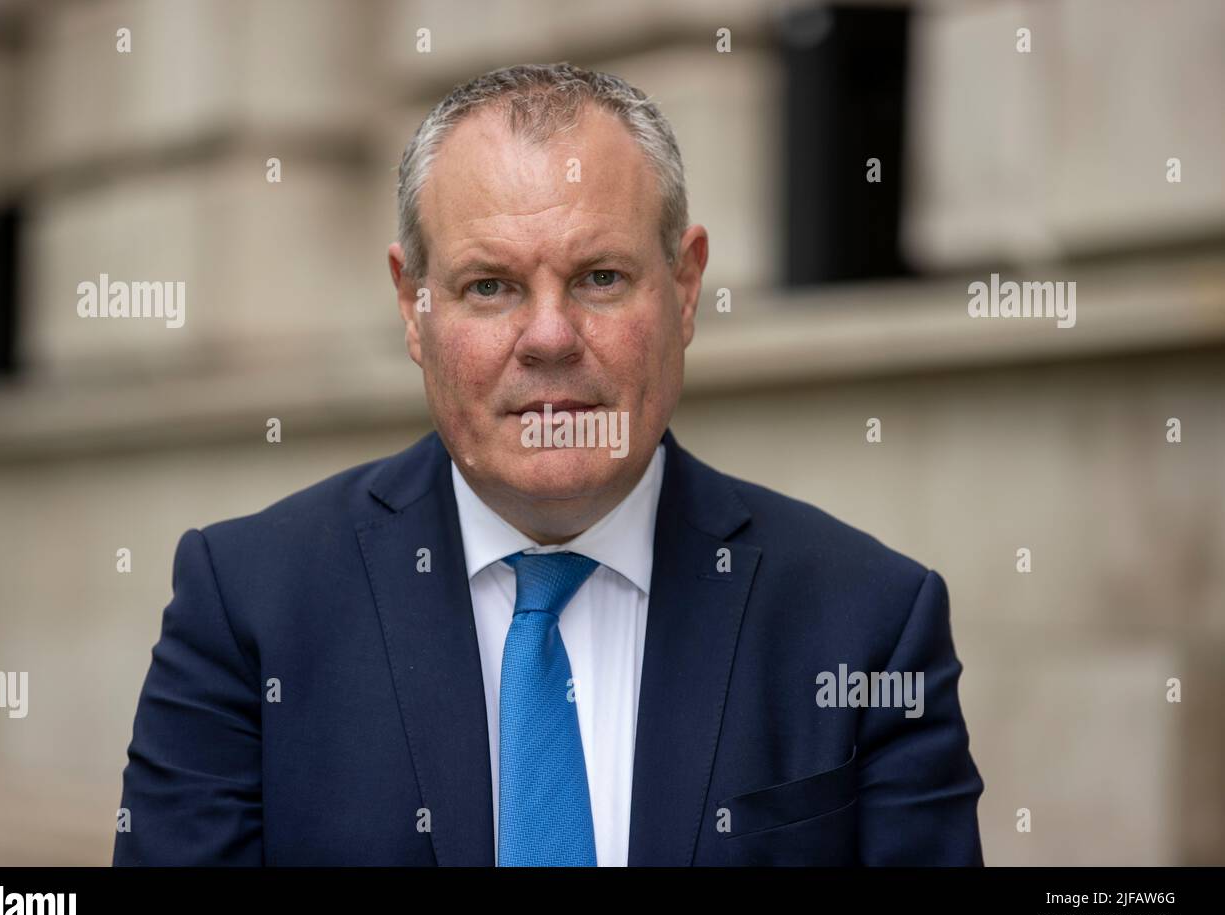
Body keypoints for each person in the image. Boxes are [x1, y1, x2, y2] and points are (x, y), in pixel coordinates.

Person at [113, 62, 983, 866]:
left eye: (601, 277)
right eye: (489, 286)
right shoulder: (246, 606)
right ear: (412, 308)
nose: (551, 337)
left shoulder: (868, 622)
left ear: (684, 288)